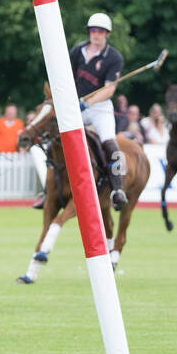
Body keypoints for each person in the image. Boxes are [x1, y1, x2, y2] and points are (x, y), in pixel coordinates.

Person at [70, 12, 128, 208]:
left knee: (109, 144)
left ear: (107, 34)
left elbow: (109, 89)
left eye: (101, 31)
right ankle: (49, 188)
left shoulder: (114, 57)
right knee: (55, 136)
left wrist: (87, 103)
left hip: (99, 108)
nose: (96, 34)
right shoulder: (77, 51)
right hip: (74, 104)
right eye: (93, 30)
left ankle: (117, 190)